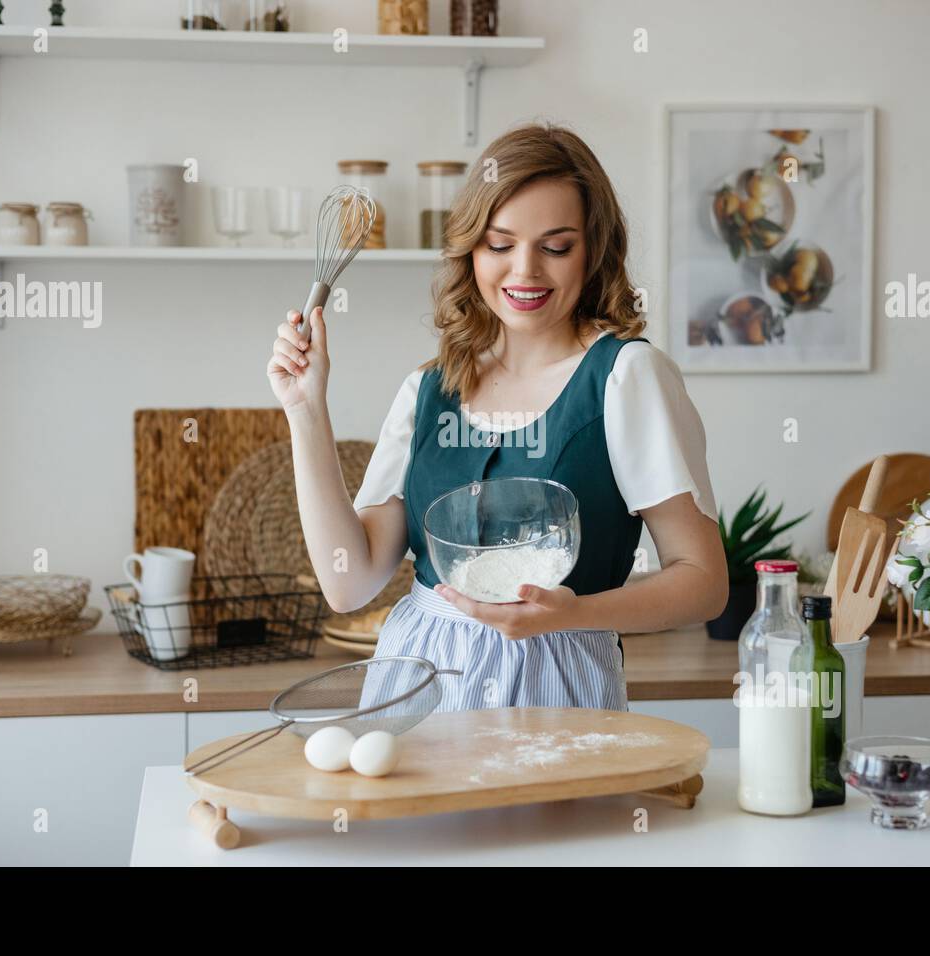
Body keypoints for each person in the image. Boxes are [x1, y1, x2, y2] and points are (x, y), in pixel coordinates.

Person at [266, 122, 727, 711]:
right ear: (470, 250)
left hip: (556, 690)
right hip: (417, 690)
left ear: (594, 250)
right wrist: (306, 410)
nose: (525, 272)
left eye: (556, 246)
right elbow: (348, 581)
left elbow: (704, 583)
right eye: (500, 245)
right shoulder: (428, 389)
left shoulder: (626, 377)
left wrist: (575, 615)